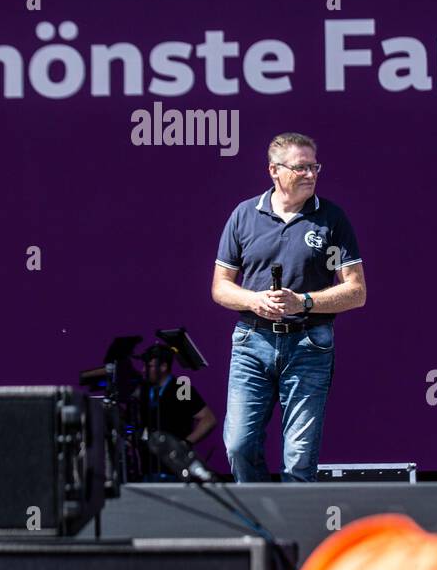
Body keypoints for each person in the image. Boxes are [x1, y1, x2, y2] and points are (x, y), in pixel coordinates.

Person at [212, 132, 366, 482]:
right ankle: (260, 526)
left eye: (315, 166)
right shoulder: (244, 215)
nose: (311, 174)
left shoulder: (331, 219)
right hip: (252, 341)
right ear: (274, 171)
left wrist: (304, 301)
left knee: (298, 457)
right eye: (301, 168)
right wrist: (254, 299)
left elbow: (356, 291)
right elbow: (220, 287)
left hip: (309, 343)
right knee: (238, 445)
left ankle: (296, 532)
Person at [136, 343, 216, 480]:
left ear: (163, 366)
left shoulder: (180, 388)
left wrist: (186, 443)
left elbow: (208, 419)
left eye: (149, 366)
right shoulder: (143, 389)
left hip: (174, 469)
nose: (143, 370)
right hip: (148, 467)